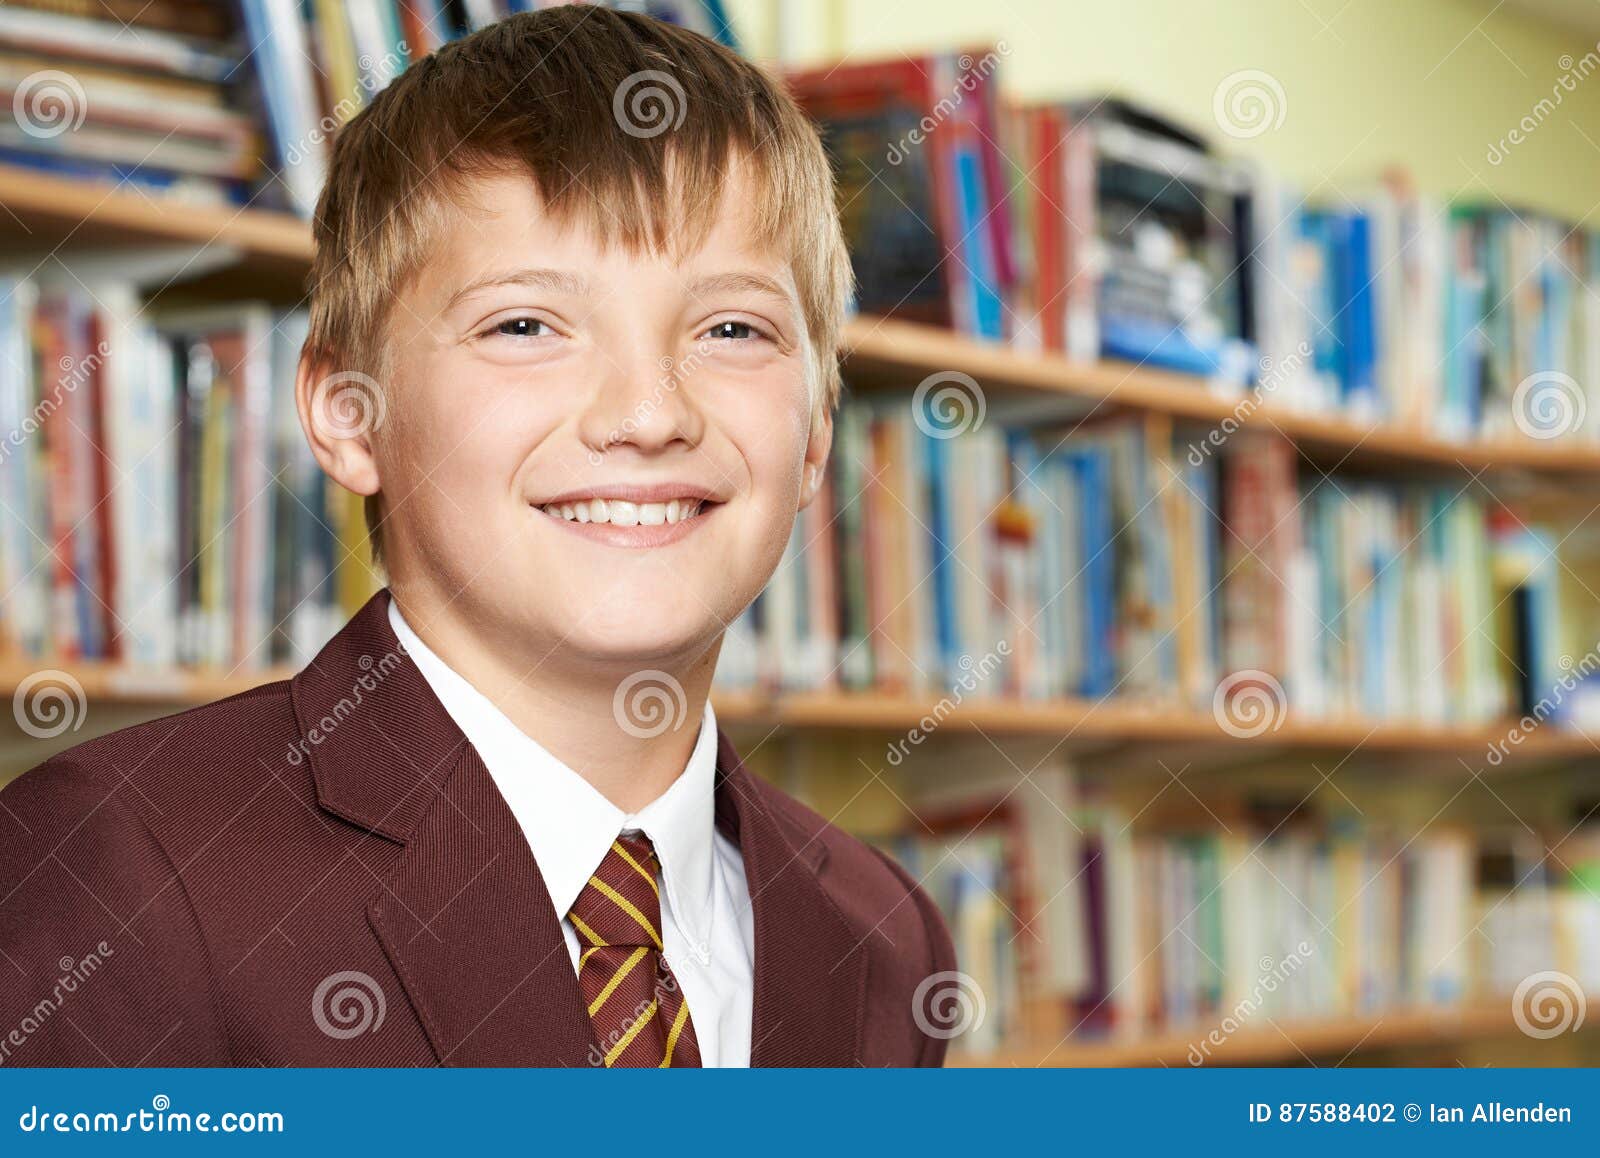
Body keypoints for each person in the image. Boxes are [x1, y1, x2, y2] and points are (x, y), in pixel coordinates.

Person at [0, 4, 955, 1068]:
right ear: (349, 414)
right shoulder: (116, 873)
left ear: (816, 432)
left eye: (733, 329)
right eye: (525, 326)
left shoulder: (885, 937)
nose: (647, 413)